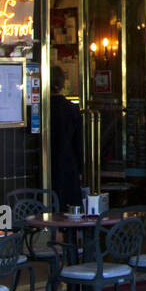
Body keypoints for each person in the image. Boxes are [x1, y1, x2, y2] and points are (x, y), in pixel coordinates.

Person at [50, 66, 85, 212]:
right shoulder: (71, 109)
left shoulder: (42, 109)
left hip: (48, 163)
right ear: (63, 83)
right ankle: (70, 233)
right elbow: (78, 142)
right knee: (70, 206)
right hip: (68, 162)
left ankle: (54, 231)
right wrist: (80, 168)